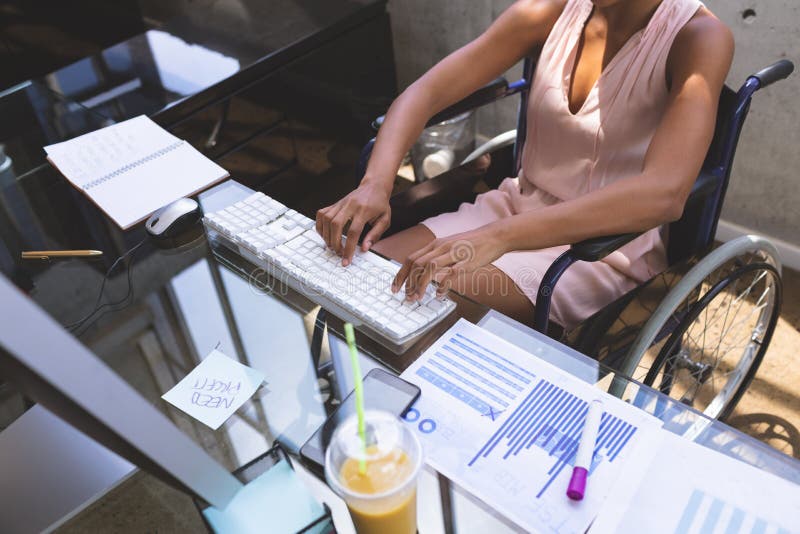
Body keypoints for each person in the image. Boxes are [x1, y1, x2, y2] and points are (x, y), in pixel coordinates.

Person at [315, 0, 733, 328]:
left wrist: (500, 237)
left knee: (411, 308)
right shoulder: (548, 12)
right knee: (356, 282)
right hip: (511, 209)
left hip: (600, 250)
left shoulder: (698, 38)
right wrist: (375, 183)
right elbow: (426, 92)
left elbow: (665, 193)